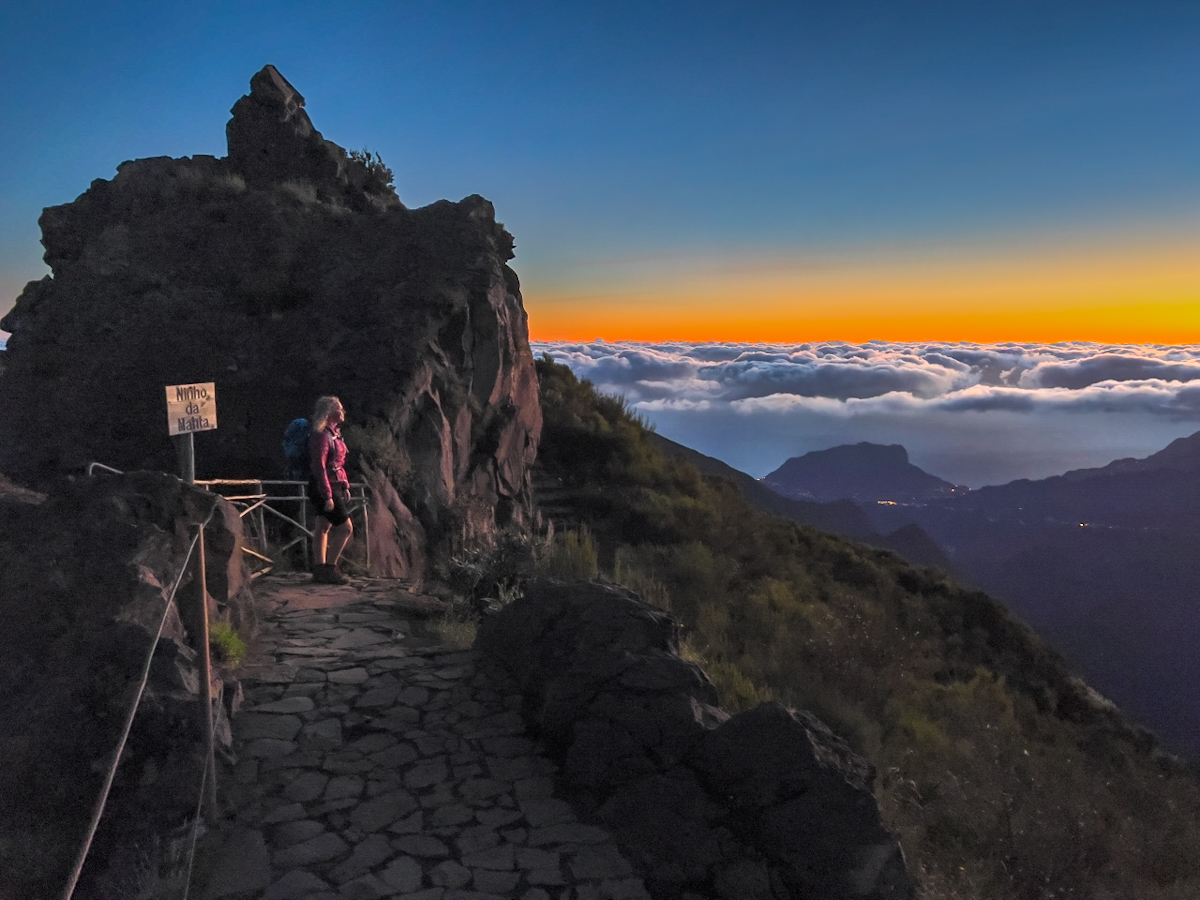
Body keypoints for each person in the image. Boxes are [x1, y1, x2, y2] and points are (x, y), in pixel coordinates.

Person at [307, 395, 353, 584]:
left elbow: (337, 464)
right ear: (330, 411)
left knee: (323, 527)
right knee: (346, 529)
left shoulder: (332, 433)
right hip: (326, 486)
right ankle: (330, 569)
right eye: (339, 408)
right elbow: (319, 466)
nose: (343, 411)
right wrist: (327, 495)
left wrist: (345, 485)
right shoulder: (322, 435)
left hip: (331, 485)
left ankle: (320, 571)